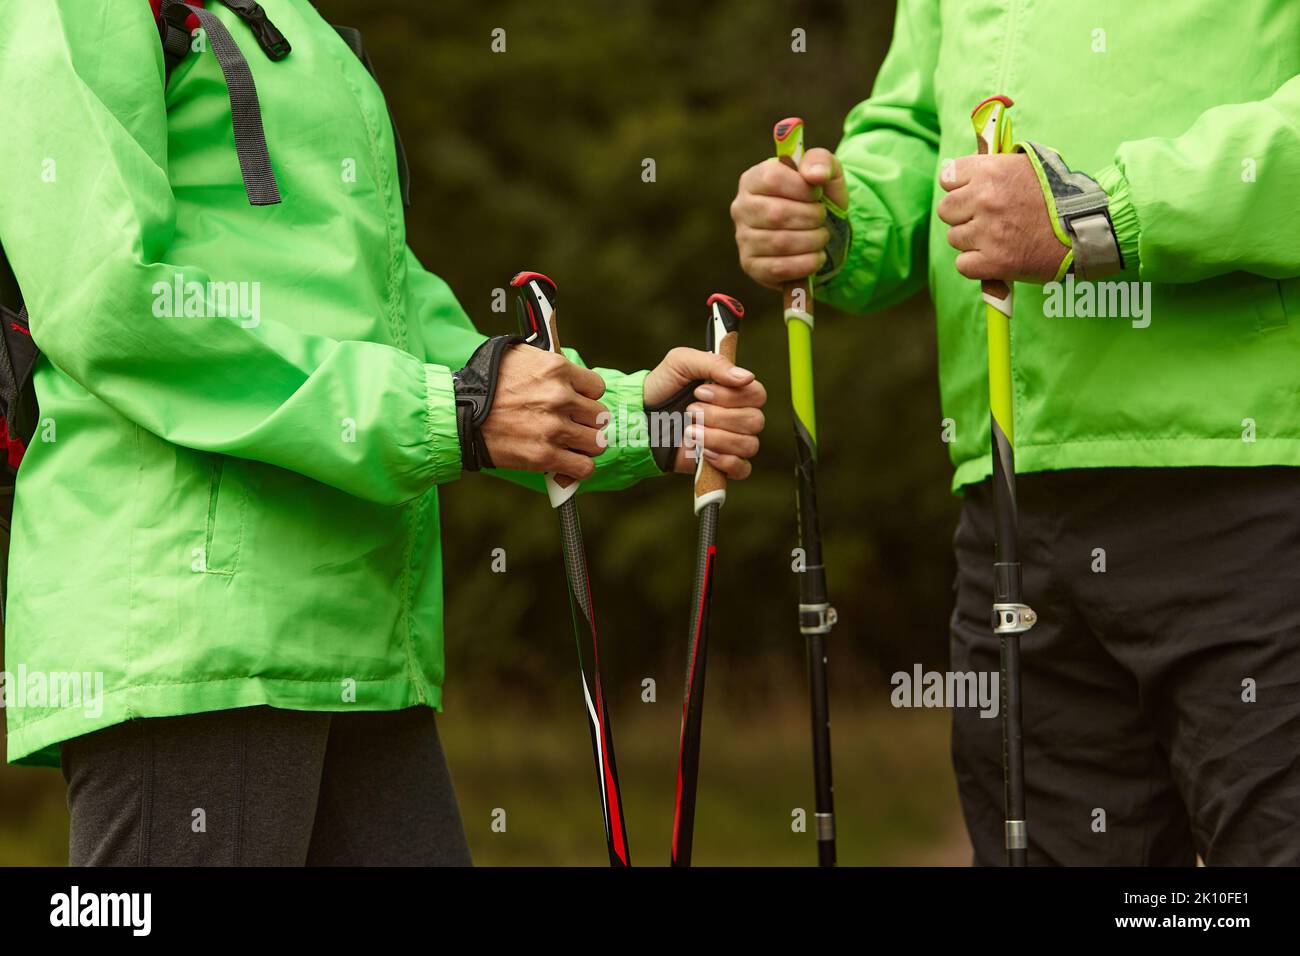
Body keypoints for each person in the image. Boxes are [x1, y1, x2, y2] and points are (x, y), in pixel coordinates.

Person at [0, 0, 766, 865]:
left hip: (361, 647)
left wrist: (633, 419)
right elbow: (109, 302)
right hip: (191, 638)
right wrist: (452, 412)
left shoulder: (302, 25)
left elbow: (395, 325)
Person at [732, 0, 1300, 865]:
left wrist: (1102, 210)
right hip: (1011, 497)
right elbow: (916, 133)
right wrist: (839, 216)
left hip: (1254, 482)